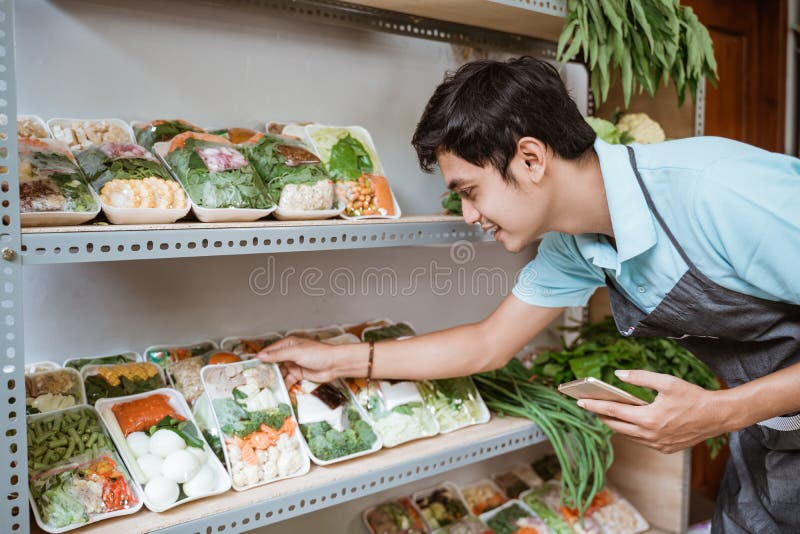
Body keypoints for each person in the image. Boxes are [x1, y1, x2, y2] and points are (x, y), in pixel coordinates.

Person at [260, 57, 800, 532]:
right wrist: (337, 360)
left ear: (531, 159)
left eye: (470, 191)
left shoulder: (714, 191)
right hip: (770, 454)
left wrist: (723, 411)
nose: (470, 216)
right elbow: (487, 343)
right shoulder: (577, 245)